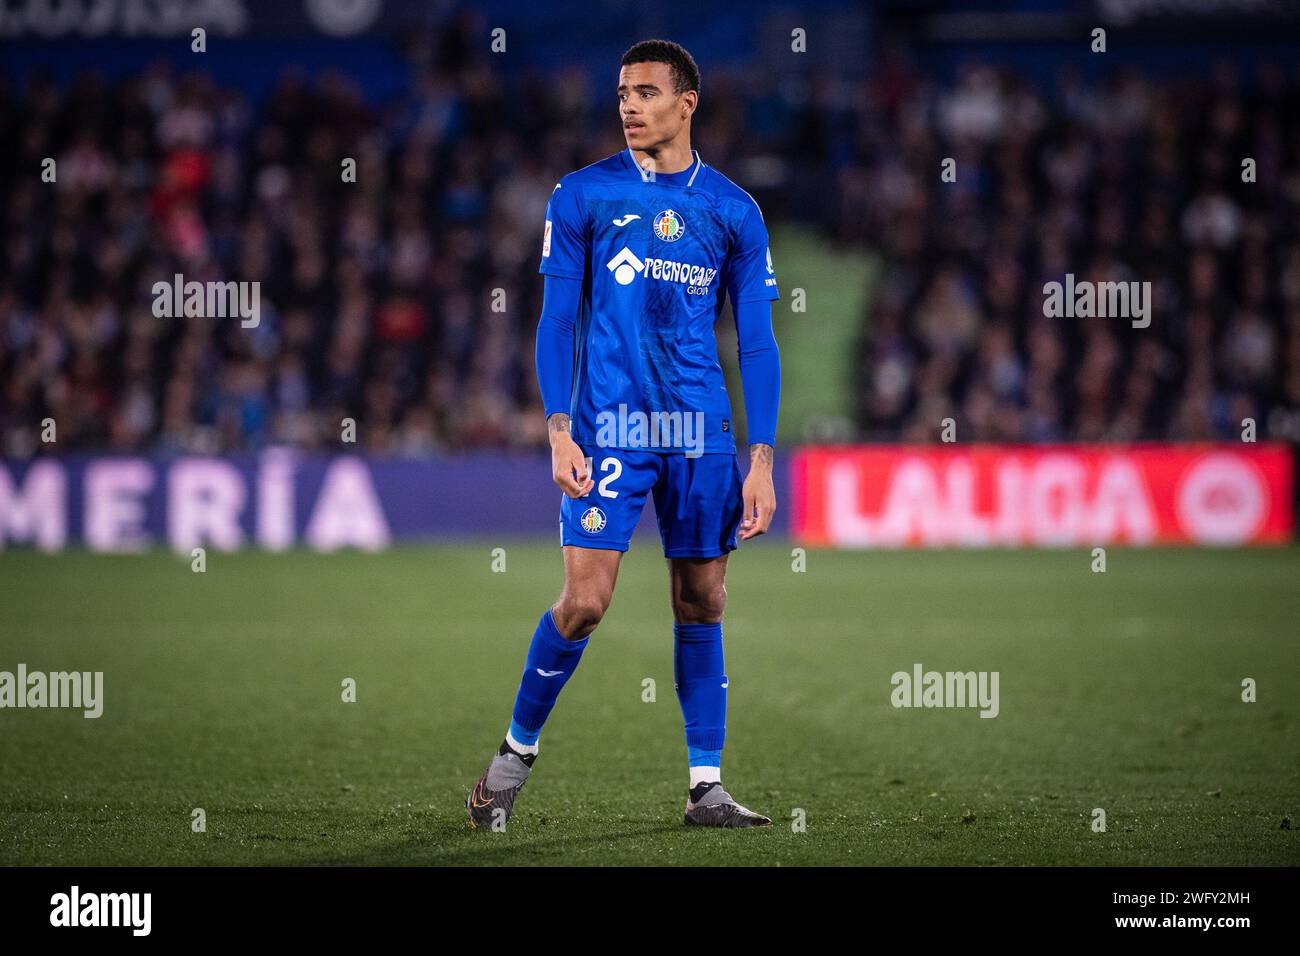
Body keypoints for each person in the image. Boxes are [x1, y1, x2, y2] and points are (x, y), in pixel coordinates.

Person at [468, 39, 782, 830]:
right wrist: (558, 427)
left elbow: (757, 344)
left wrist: (761, 457)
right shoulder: (582, 196)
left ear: (688, 103)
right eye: (621, 93)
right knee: (584, 602)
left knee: (703, 597)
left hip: (700, 431)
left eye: (646, 92)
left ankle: (705, 787)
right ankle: (509, 762)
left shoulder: (734, 210)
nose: (630, 106)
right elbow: (557, 320)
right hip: (610, 427)